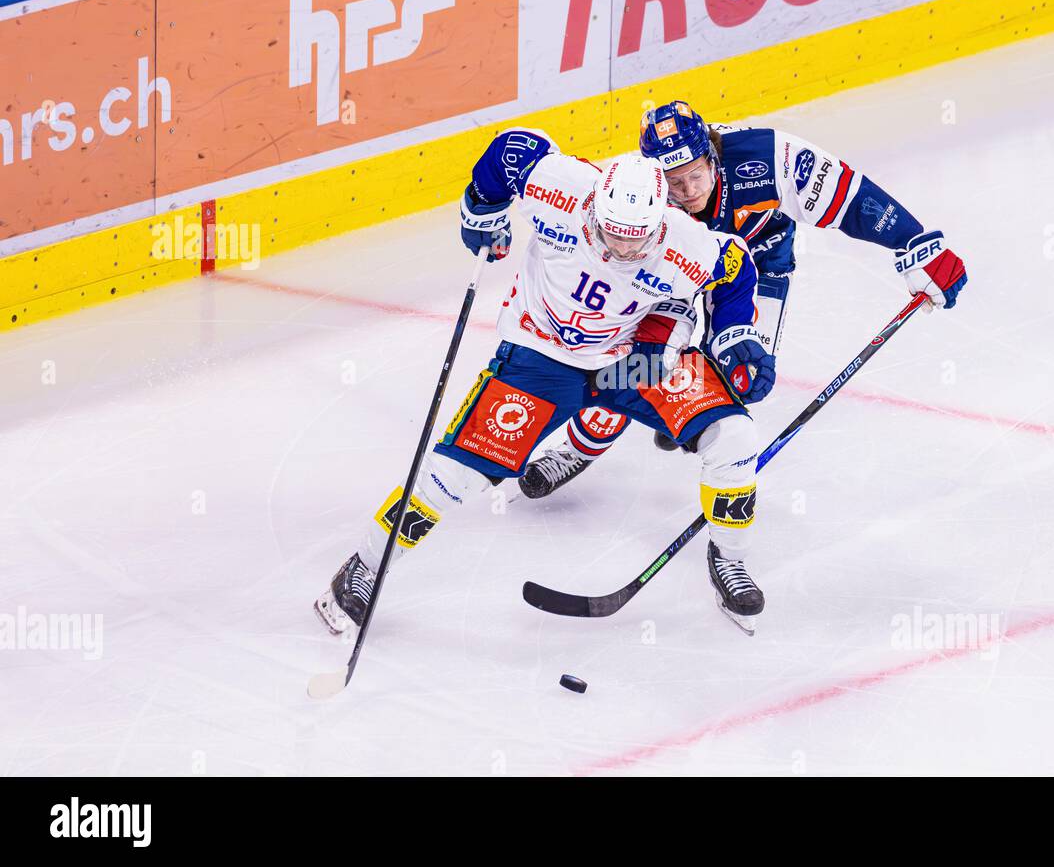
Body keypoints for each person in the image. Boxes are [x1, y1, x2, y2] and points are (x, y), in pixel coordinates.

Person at [313, 128, 777, 635]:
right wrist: (481, 210)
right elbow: (512, 148)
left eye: (636, 236)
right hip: (537, 361)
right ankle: (367, 565)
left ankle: (731, 556)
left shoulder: (688, 245)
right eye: (611, 230)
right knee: (452, 477)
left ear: (660, 220)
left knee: (734, 434)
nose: (622, 245)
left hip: (631, 365)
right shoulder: (562, 187)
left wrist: (736, 339)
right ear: (595, 206)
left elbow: (734, 270)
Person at [520, 100, 969, 495]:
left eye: (696, 174)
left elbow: (851, 197)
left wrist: (916, 243)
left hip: (756, 264)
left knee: (746, 377)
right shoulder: (639, 192)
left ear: (713, 155)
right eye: (674, 184)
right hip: (669, 275)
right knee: (633, 362)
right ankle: (578, 448)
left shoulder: (768, 158)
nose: (689, 191)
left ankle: (689, 420)